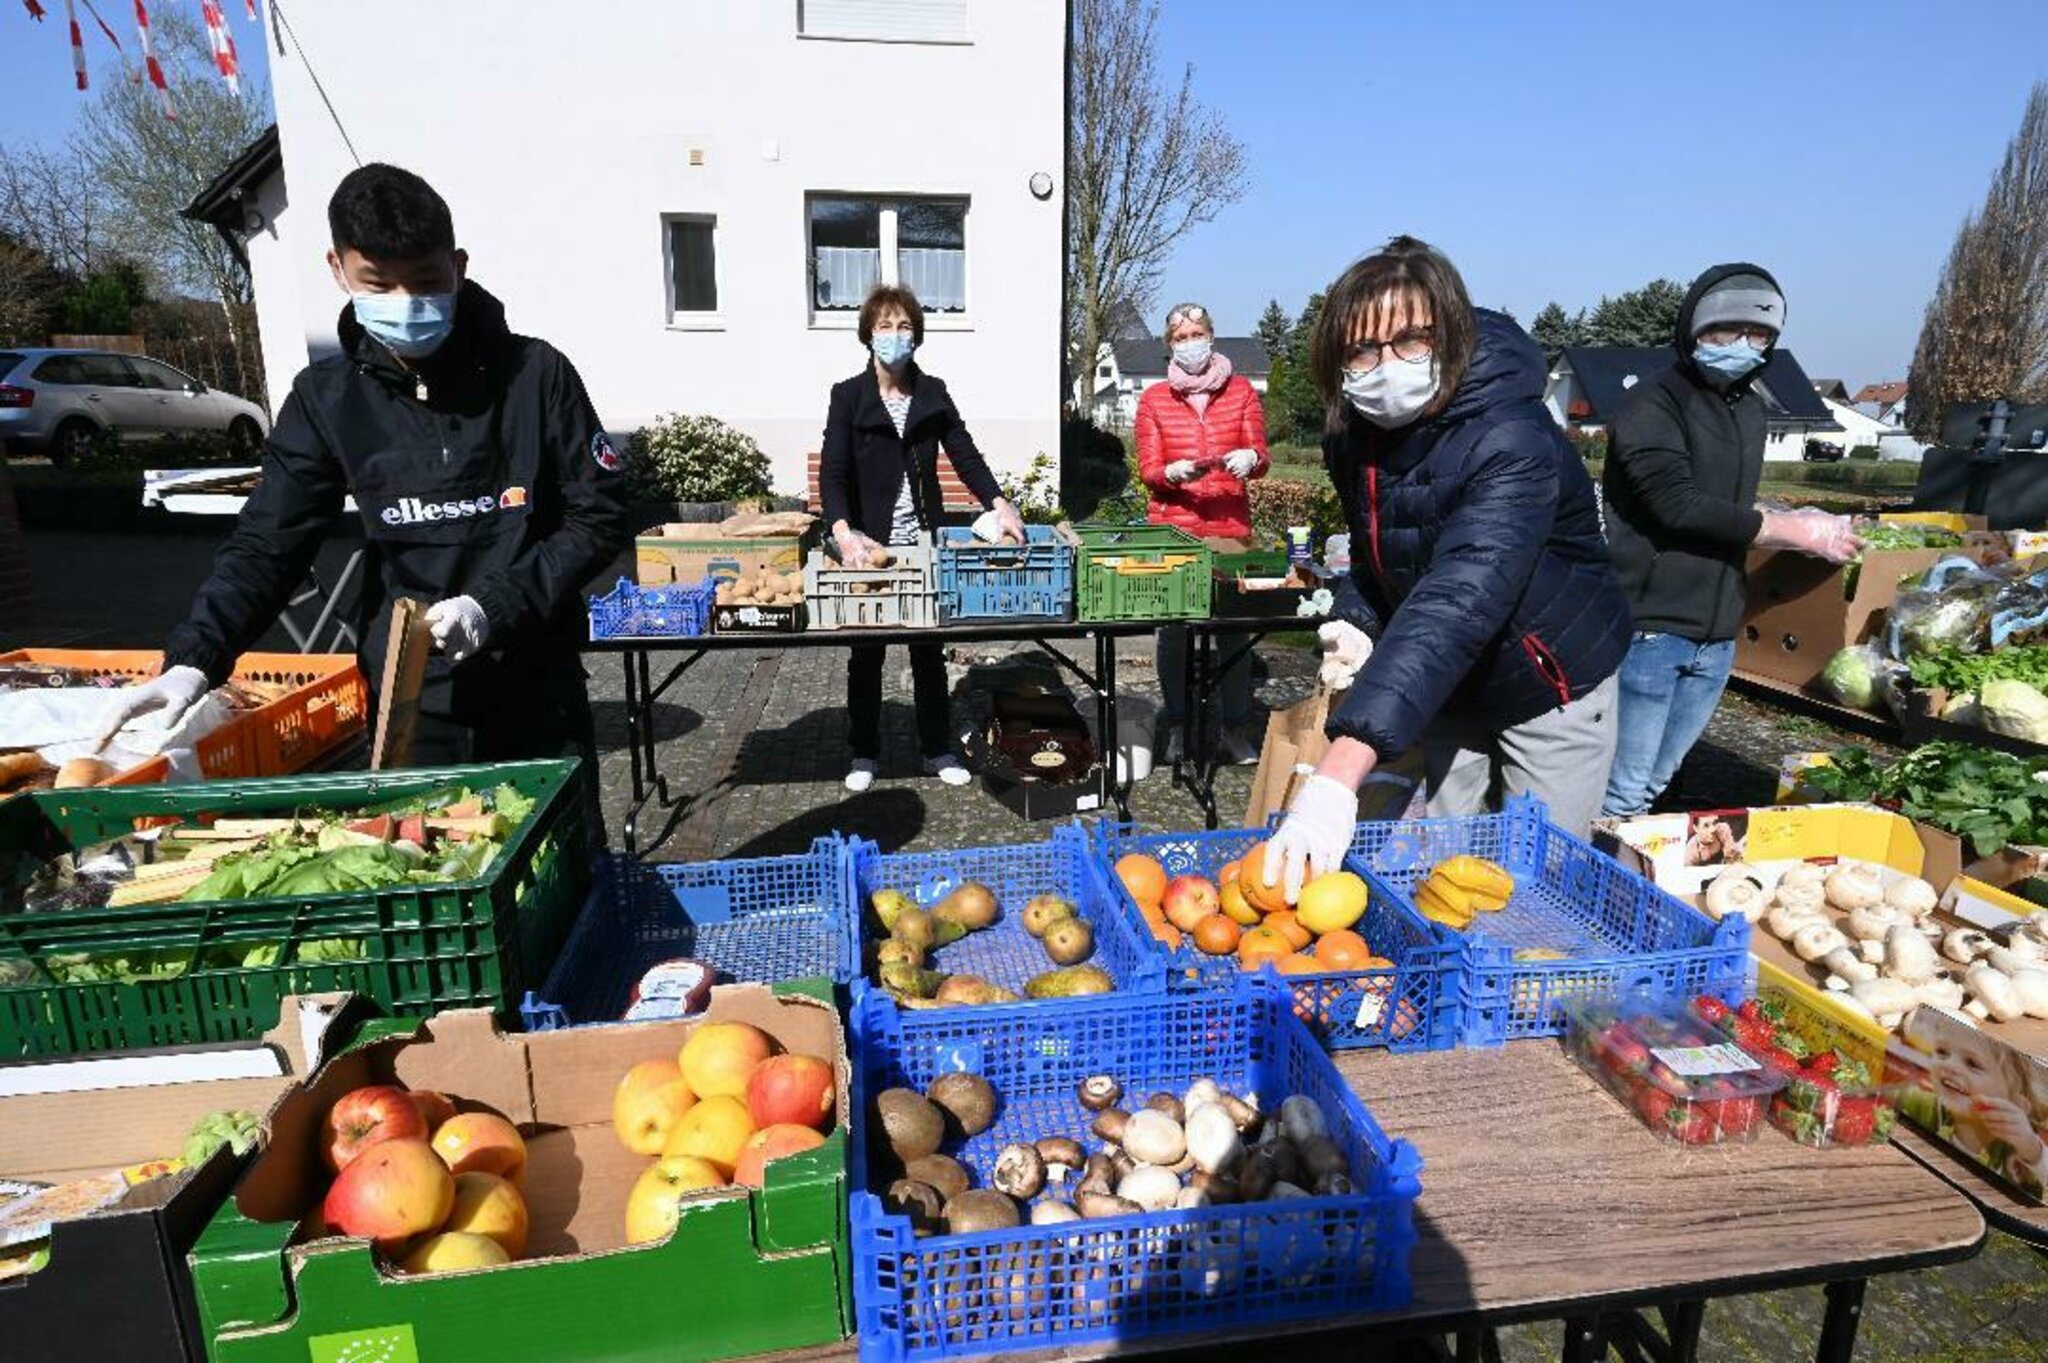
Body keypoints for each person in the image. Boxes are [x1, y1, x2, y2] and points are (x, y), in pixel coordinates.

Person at [96, 164, 628, 815]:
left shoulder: (534, 375)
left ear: (458, 266)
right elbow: (269, 544)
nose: (407, 301)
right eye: (380, 282)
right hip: (411, 704)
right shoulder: (328, 400)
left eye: (428, 281)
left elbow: (599, 515)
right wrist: (197, 656)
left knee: (563, 878)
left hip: (534, 686)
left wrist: (494, 605)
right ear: (339, 269)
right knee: (427, 885)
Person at [1261, 237, 1631, 898]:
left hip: (1548, 677)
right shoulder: (1356, 435)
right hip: (1450, 681)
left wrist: (1339, 769)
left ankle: (1526, 993)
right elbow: (1387, 551)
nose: (1385, 365)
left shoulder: (1509, 436)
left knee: (1532, 877)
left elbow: (1462, 592)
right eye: (1363, 349)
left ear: (1451, 337)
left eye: (1411, 341)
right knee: (1447, 865)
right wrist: (1355, 615)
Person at [1600, 265, 1860, 818]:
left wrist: (1786, 516)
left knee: (1657, 783)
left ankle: (1617, 872)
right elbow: (1677, 505)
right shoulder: (1652, 404)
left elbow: (1731, 503)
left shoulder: (1751, 409)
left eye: (1758, 334)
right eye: (1723, 333)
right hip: (1651, 627)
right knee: (1623, 787)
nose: (1741, 345)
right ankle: (1584, 883)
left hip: (1717, 632)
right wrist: (1791, 531)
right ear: (1692, 331)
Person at [821, 283, 1025, 792]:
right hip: (870, 545)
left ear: (918, 335)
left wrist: (999, 504)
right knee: (866, 652)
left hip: (923, 541)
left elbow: (964, 452)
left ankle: (937, 747)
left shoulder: (932, 392)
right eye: (885, 325)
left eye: (904, 326)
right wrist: (844, 532)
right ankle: (864, 752)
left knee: (927, 651)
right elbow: (833, 471)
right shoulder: (848, 395)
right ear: (868, 333)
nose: (894, 335)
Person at [1133, 302, 1269, 764]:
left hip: (1231, 526)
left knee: (1233, 630)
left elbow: (1262, 456)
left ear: (1212, 336)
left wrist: (1251, 459)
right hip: (1175, 532)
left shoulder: (1242, 390)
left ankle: (1233, 728)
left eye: (1197, 334)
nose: (1191, 343)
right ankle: (1178, 724)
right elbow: (1148, 470)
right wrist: (1171, 472)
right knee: (1174, 633)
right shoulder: (1154, 400)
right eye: (1181, 337)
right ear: (1169, 345)